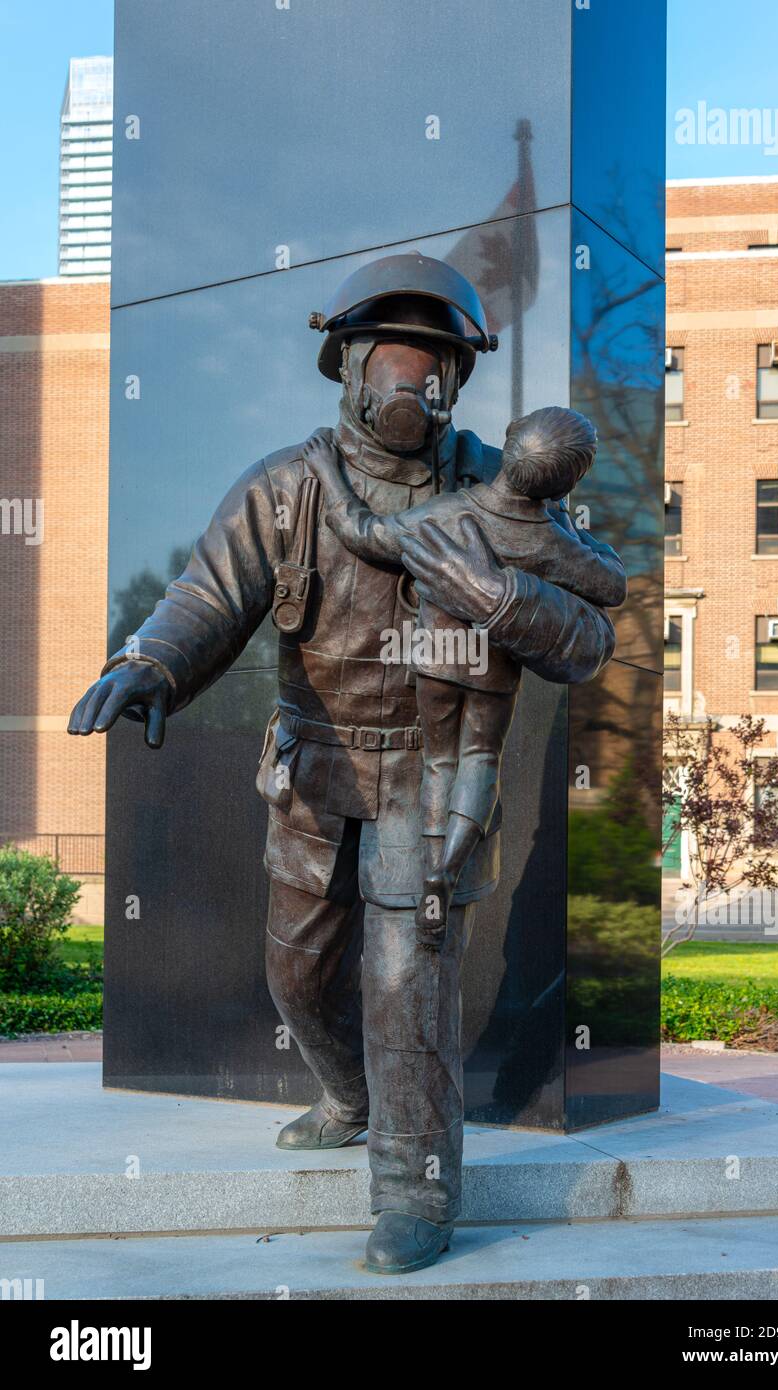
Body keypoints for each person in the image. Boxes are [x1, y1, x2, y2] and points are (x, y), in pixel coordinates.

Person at [67, 252, 621, 1275]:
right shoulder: (287, 491)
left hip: (433, 776)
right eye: (399, 360)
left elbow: (591, 637)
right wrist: (148, 663)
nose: (420, 382)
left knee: (408, 979)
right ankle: (352, 1096)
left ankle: (416, 1190)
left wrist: (502, 601)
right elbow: (205, 599)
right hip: (318, 772)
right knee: (298, 972)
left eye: (439, 362)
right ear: (352, 366)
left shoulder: (496, 495)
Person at [301, 405, 625, 945]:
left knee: (438, 762)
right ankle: (447, 871)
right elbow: (612, 583)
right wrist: (564, 519)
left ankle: (429, 860)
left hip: (435, 657)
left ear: (510, 441)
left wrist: (328, 471)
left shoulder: (443, 513)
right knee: (480, 760)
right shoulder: (549, 541)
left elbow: (360, 531)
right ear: (569, 479)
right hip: (492, 664)